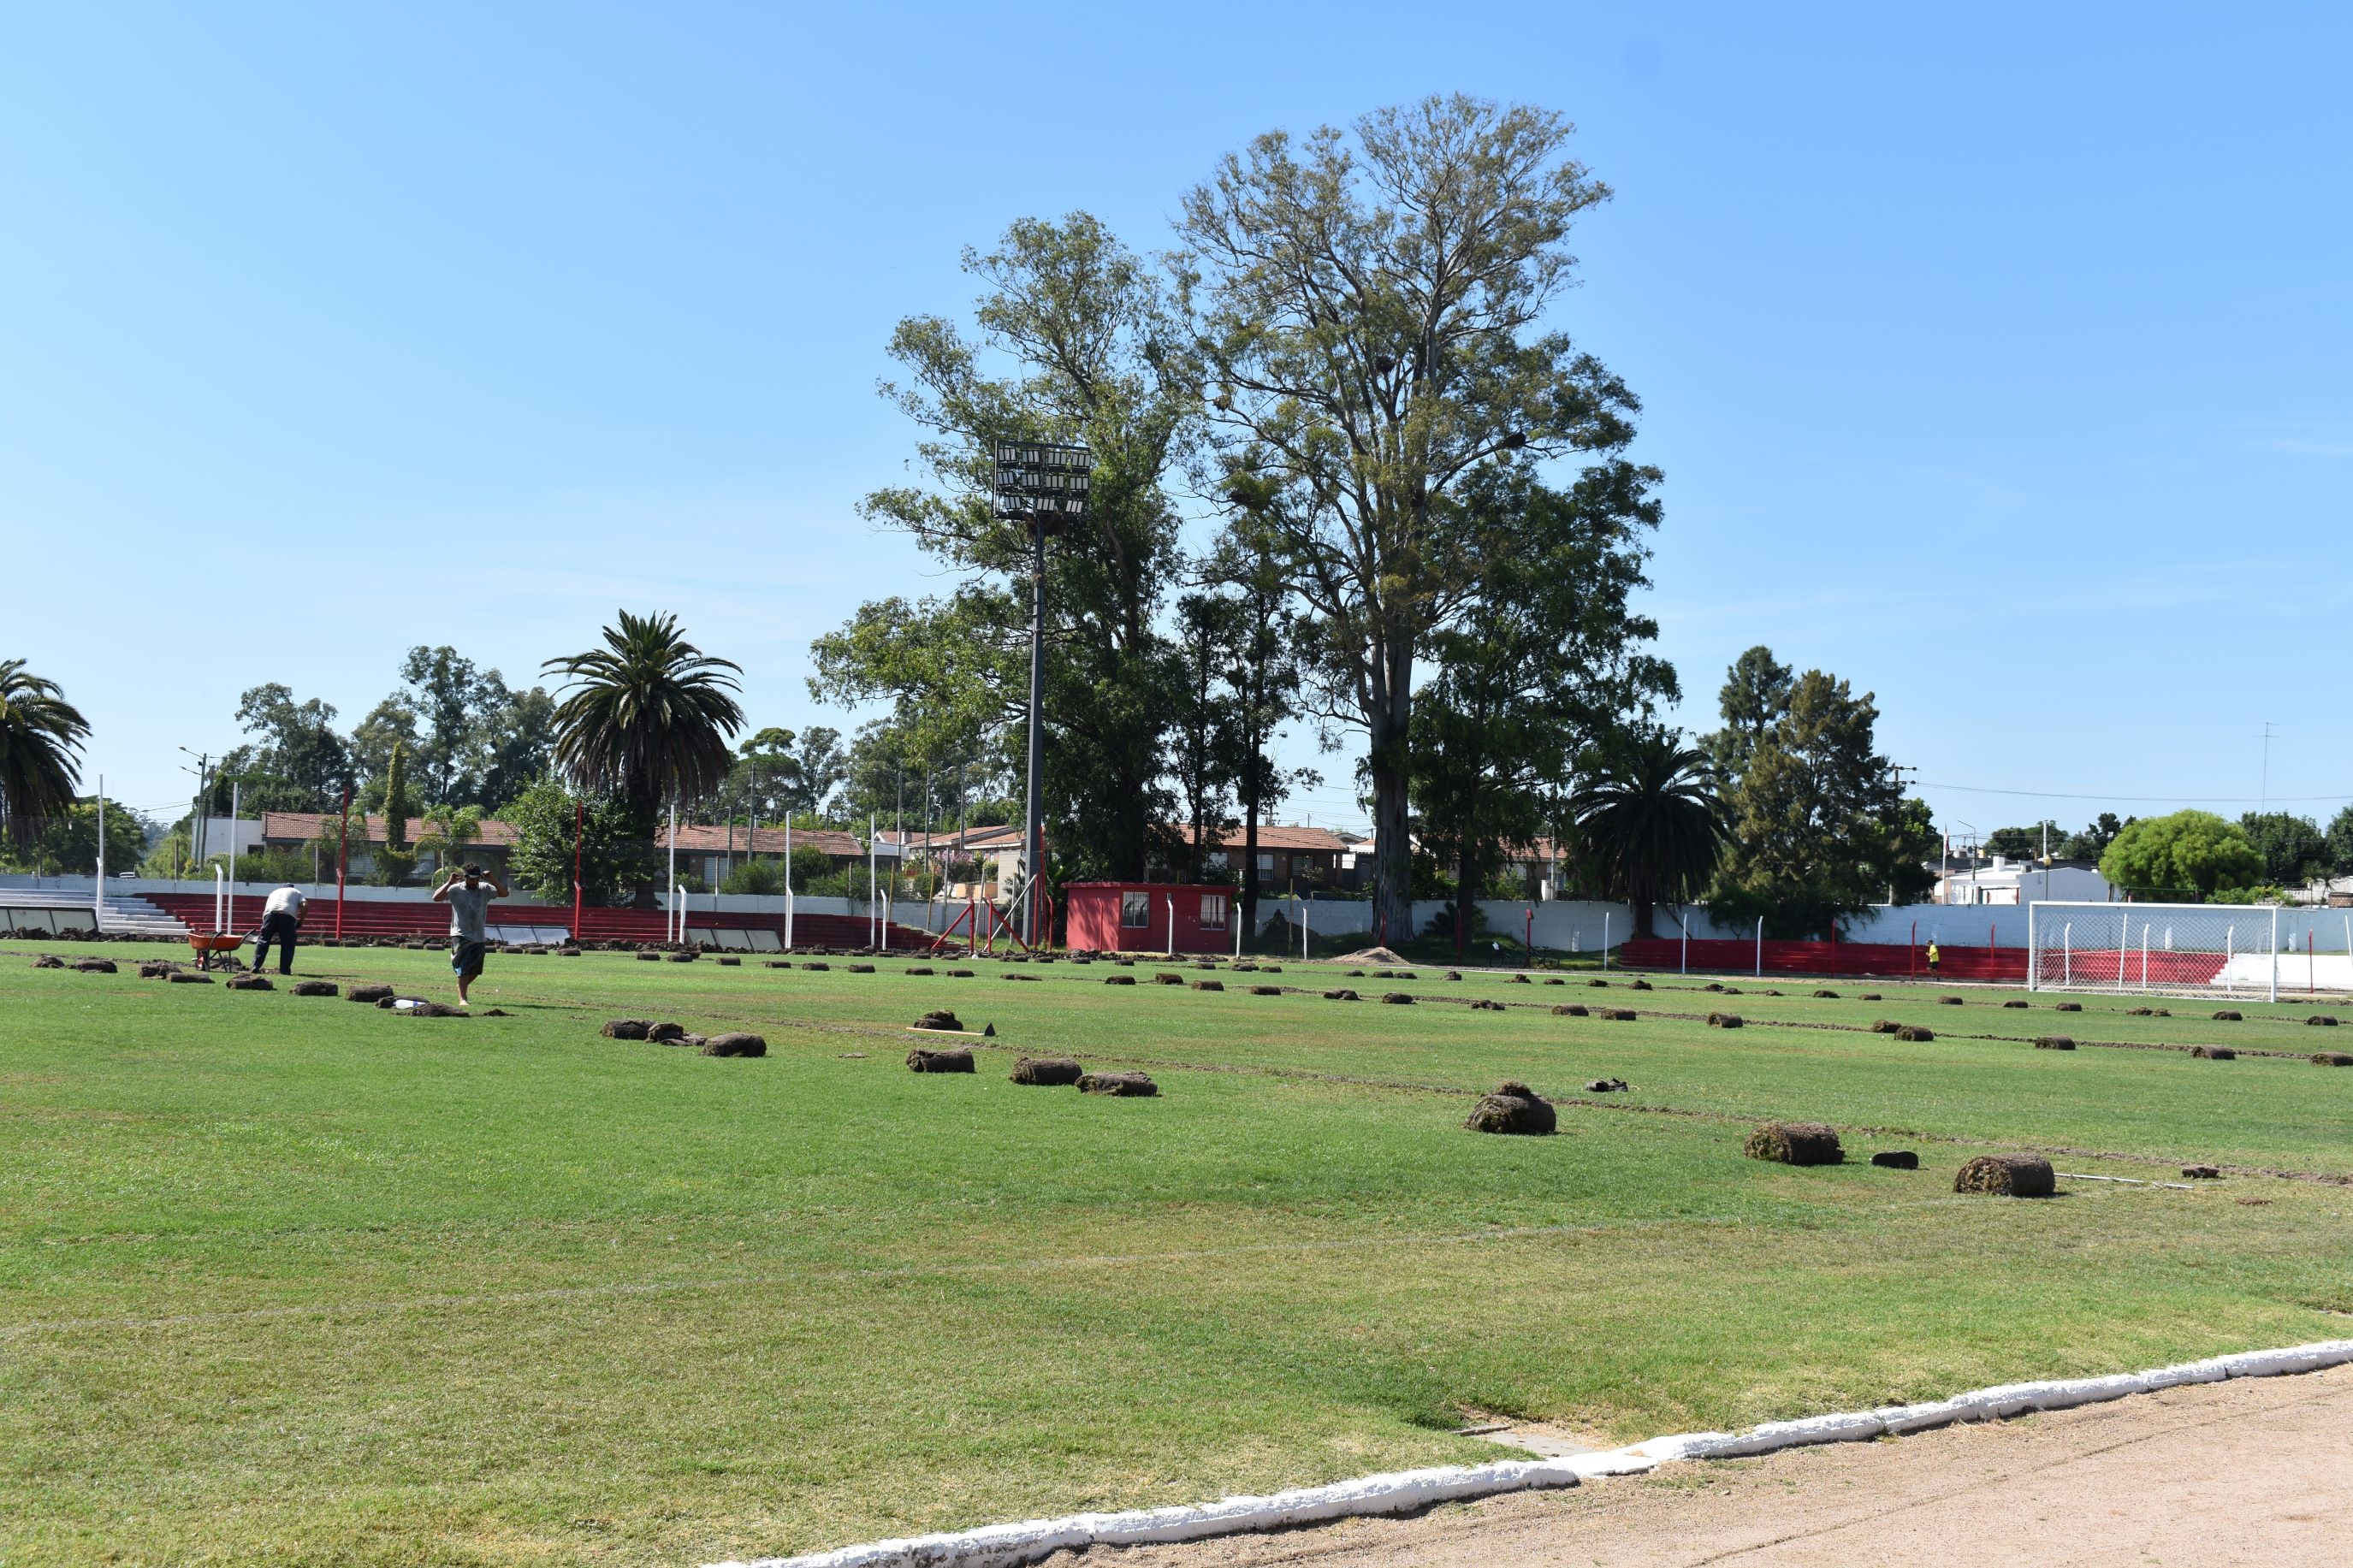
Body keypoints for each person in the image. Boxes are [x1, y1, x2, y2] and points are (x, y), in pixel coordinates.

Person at [431, 861, 508, 1006]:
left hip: (478, 935)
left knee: (475, 970)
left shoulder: (485, 888)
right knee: (463, 968)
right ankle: (463, 998)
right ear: (465, 877)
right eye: (471, 879)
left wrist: (492, 879)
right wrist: (449, 882)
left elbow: (504, 893)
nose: (474, 882)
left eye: (476, 879)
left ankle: (461, 986)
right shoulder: (455, 889)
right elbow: (436, 898)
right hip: (460, 934)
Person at [252, 883, 308, 975]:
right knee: (288, 943)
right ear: (292, 888)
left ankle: (255, 967)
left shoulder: (274, 892)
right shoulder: (297, 892)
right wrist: (301, 921)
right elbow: (305, 905)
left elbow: (266, 908)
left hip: (270, 915)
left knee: (263, 941)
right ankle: (285, 970)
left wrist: (265, 924)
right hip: (287, 915)